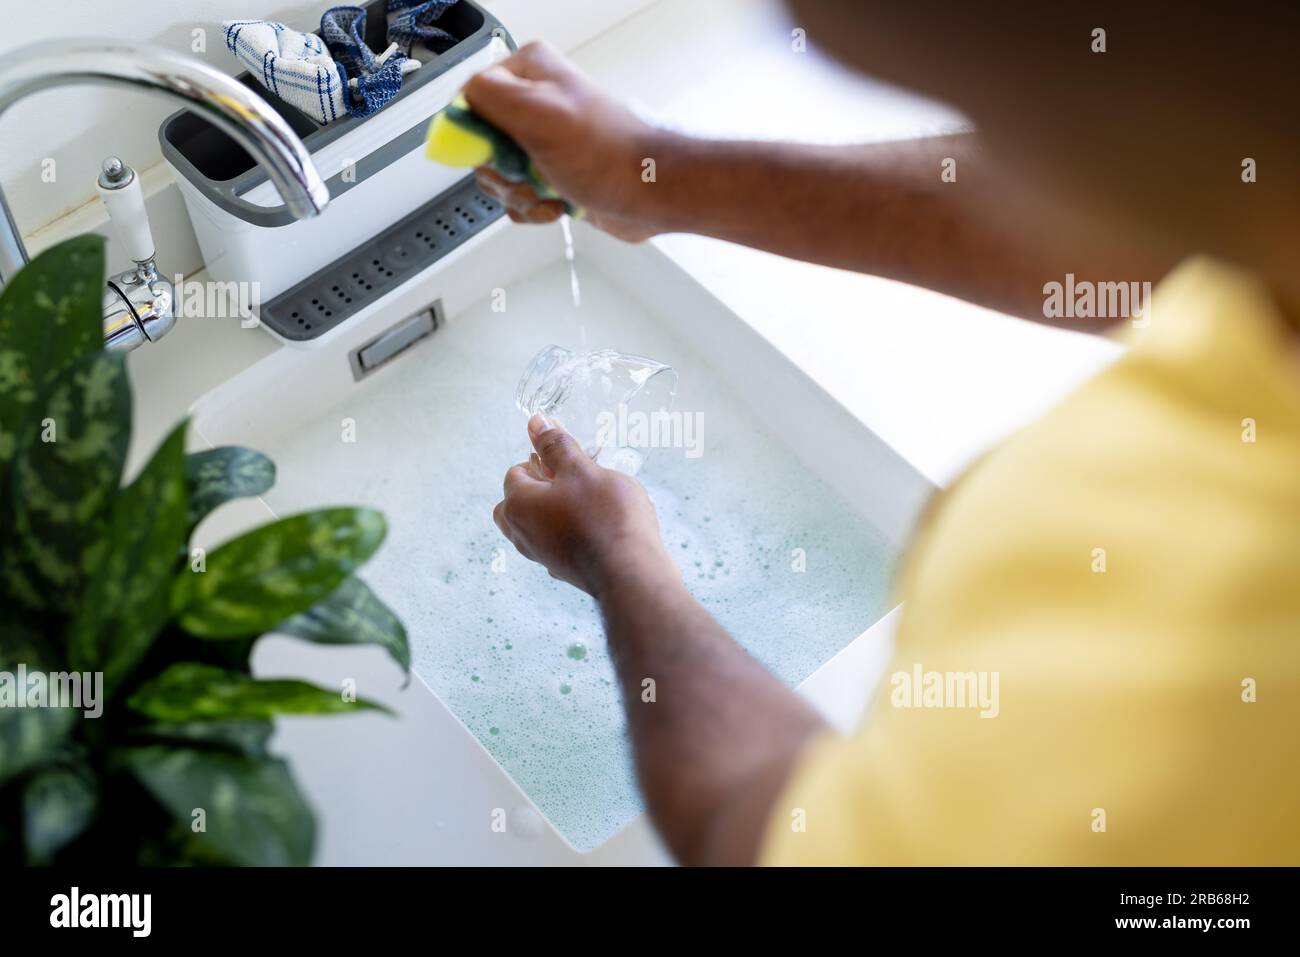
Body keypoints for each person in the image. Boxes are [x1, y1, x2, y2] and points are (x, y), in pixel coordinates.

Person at [482, 3, 1300, 865]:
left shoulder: (1193, 680)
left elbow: (756, 830)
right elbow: (1168, 207)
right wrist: (653, 174)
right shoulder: (1245, 158)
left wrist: (615, 556)